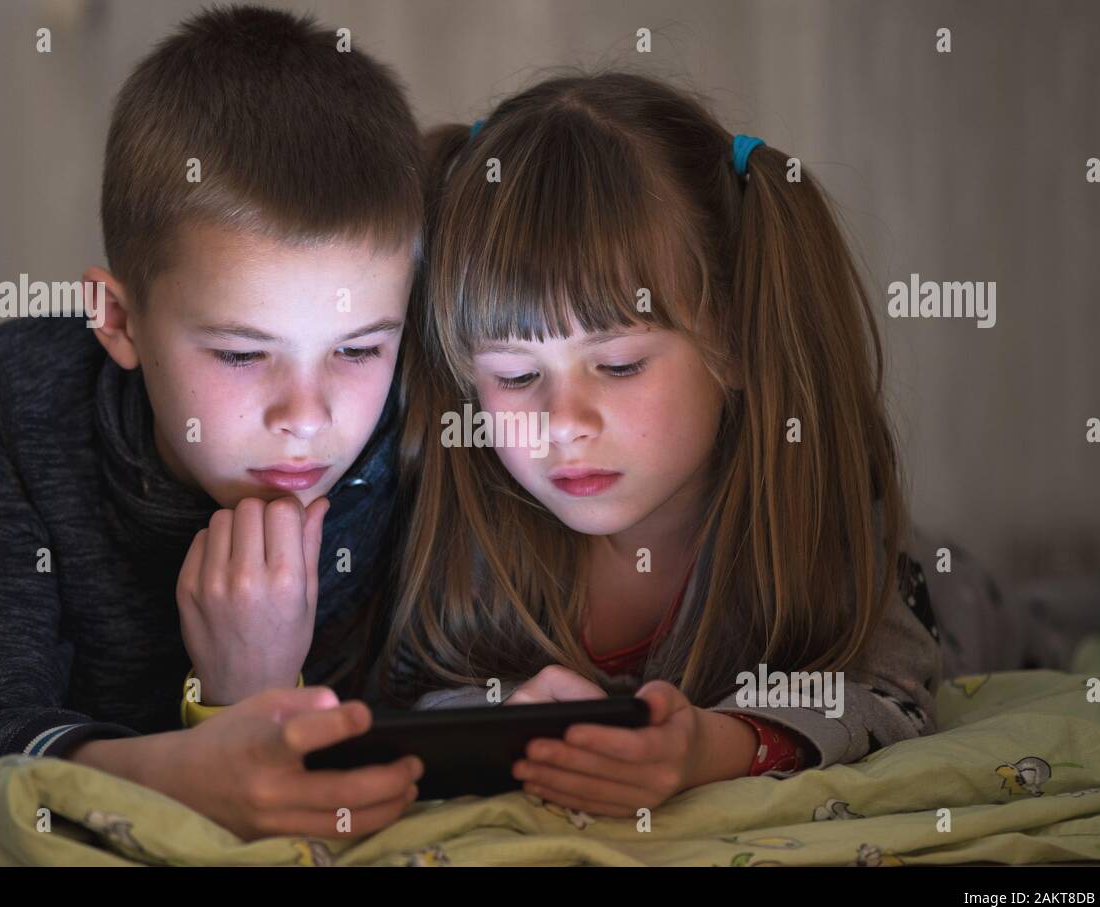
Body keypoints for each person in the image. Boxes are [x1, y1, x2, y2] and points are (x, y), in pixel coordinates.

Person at [0, 5, 425, 842]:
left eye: (358, 350)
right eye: (240, 355)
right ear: (117, 320)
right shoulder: (7, 400)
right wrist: (217, 747)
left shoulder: (418, 419)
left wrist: (251, 693)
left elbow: (439, 685)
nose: (307, 419)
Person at [379, 72, 945, 818]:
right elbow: (395, 702)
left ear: (736, 341)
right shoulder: (451, 514)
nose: (563, 422)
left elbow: (893, 691)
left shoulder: (812, 511)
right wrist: (505, 714)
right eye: (515, 375)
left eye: (618, 366)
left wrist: (715, 745)